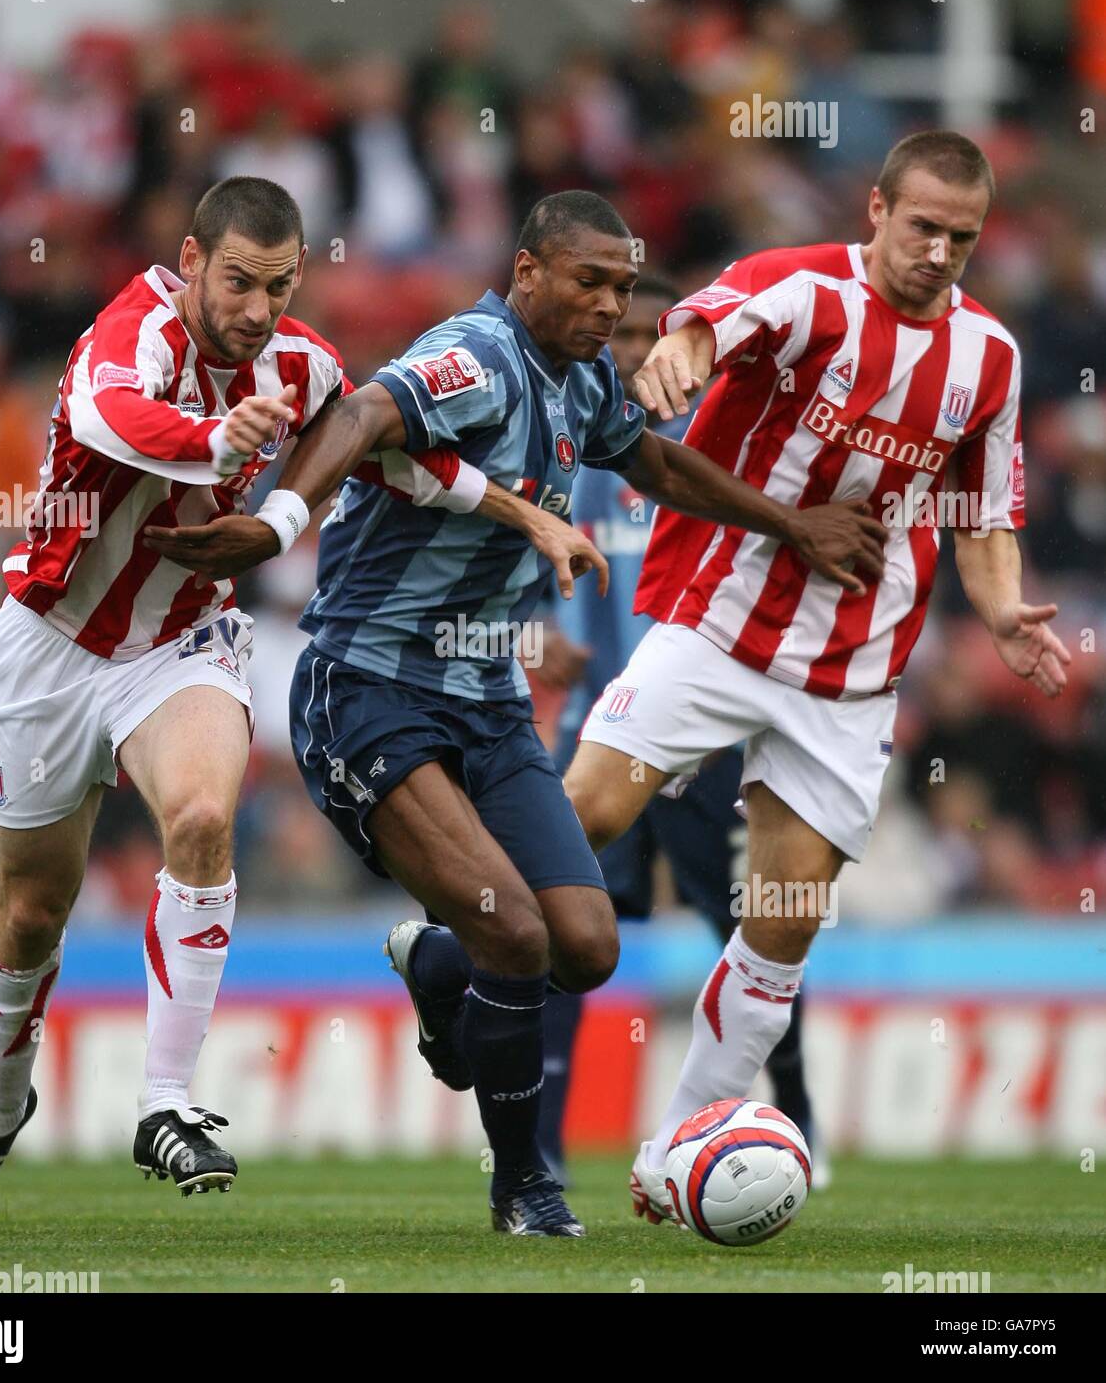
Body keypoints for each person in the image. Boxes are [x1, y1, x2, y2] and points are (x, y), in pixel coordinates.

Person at [148, 189, 886, 1236]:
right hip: (371, 686)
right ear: (528, 271)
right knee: (516, 937)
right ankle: (522, 1187)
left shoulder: (583, 377)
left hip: (485, 695)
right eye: (589, 283)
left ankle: (433, 959)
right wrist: (273, 526)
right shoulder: (477, 354)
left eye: (625, 288)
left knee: (584, 945)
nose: (608, 305)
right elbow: (358, 415)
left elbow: (658, 464)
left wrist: (788, 524)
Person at [556, 132, 1070, 1223]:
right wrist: (678, 355)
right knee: (580, 816)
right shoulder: (806, 290)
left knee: (781, 917)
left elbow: (981, 517)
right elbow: (708, 321)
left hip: (850, 675)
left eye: (960, 237)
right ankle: (454, 959)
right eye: (921, 225)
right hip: (719, 628)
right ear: (877, 208)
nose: (937, 251)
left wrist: (1004, 610)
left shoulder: (990, 358)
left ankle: (674, 1154)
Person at [0, 177, 350, 1233]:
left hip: (179, 638)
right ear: (193, 258)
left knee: (205, 818)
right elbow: (114, 420)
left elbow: (365, 425)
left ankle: (165, 1099)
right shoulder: (130, 332)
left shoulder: (299, 363)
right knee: (30, 911)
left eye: (279, 286)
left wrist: (289, 510)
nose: (257, 309)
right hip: (49, 646)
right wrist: (221, 443)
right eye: (239, 281)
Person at [533, 275, 817, 1189]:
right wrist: (531, 636)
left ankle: (795, 1117)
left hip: (707, 744)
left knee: (760, 921)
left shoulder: (711, 459)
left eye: (638, 353)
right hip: (596, 735)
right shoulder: (565, 455)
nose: (626, 370)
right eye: (611, 354)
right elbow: (519, 582)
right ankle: (542, 1140)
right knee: (567, 926)